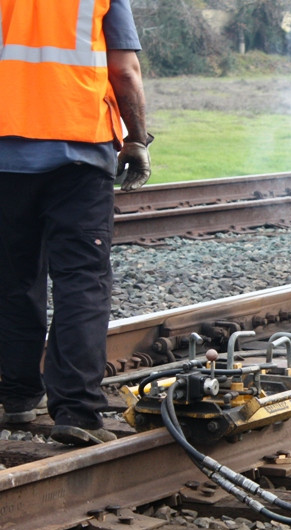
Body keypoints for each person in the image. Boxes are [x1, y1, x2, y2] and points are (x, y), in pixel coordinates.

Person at [0, 0, 152, 445]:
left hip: (5, 153)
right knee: (81, 281)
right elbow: (124, 71)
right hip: (79, 151)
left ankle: (18, 398)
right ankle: (77, 412)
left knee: (14, 278)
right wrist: (137, 139)